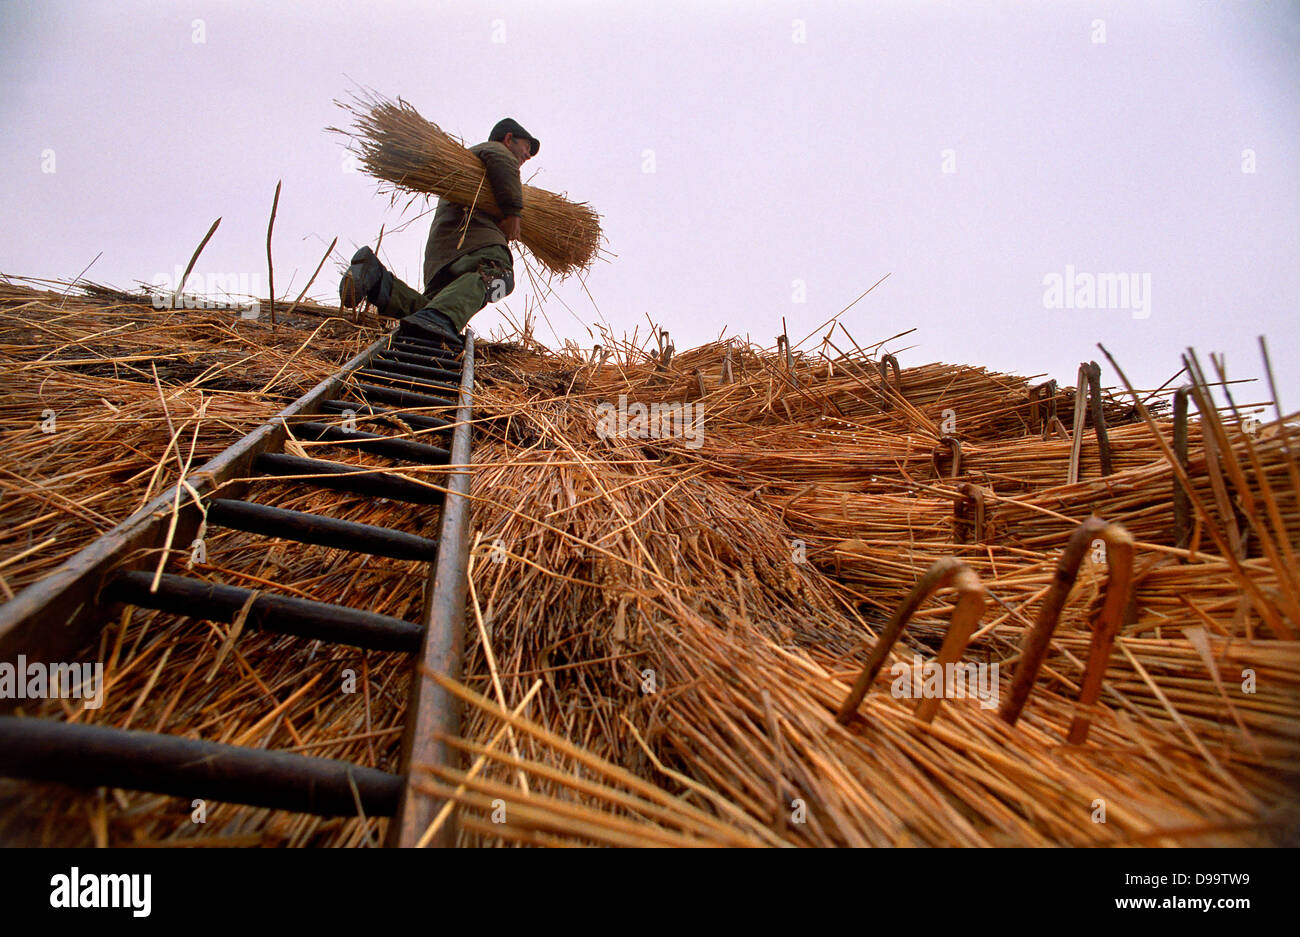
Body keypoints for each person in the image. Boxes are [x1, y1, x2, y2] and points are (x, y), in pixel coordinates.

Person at [339, 118, 539, 348]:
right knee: (500, 277)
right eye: (526, 146)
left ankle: (376, 279)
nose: (528, 154)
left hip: (443, 255)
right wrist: (514, 213)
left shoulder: (473, 171)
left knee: (429, 307)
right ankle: (439, 319)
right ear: (508, 138)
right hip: (474, 243)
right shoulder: (495, 151)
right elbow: (502, 160)